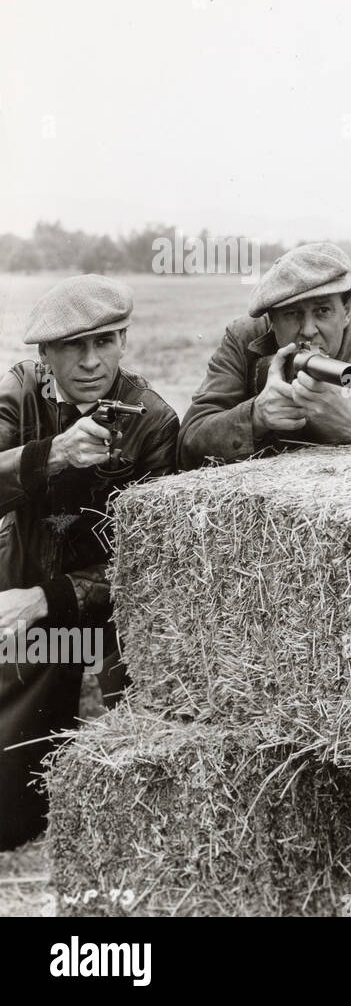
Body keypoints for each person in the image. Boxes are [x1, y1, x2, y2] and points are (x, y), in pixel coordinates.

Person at [0, 275, 178, 850]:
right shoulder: (17, 395)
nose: (91, 361)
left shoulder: (152, 419)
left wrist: (50, 597)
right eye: (72, 346)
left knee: (151, 728)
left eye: (104, 342)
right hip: (23, 589)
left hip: (113, 601)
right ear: (44, 355)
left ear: (124, 340)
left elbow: (153, 562)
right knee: (12, 806)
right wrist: (50, 455)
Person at [177, 242, 351, 468]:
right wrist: (255, 416)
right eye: (292, 314)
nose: (308, 330)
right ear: (271, 319)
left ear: (346, 311)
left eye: (323, 311)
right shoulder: (244, 340)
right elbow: (187, 444)